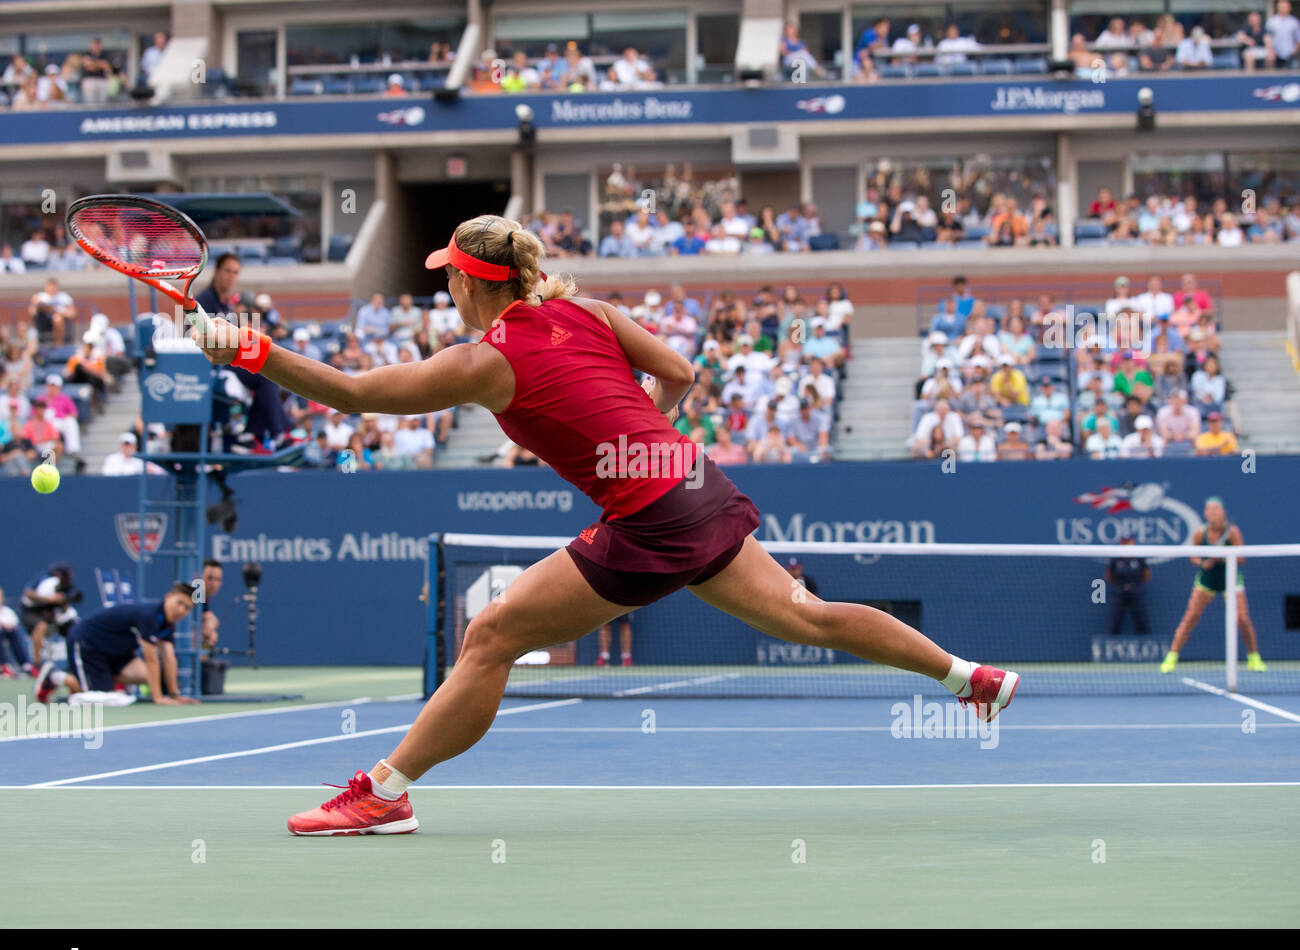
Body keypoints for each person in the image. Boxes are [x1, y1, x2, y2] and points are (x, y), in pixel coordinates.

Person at [191, 213, 1022, 835]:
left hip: (655, 515)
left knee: (490, 637)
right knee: (804, 614)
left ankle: (385, 793)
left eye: (450, 273)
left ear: (476, 285)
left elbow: (358, 394)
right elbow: (681, 371)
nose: (445, 283)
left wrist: (252, 353)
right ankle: (968, 677)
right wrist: (639, 448)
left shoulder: (483, 361)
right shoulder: (589, 312)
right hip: (692, 480)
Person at [34, 583, 198, 705]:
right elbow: (151, 660)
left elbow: (169, 658)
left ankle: (99, 679)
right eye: (180, 603)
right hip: (87, 643)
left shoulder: (167, 624)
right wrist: (159, 698)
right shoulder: (149, 615)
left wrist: (175, 694)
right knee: (99, 695)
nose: (182, 610)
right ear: (168, 597)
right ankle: (54, 676)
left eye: (187, 608)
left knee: (144, 675)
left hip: (116, 651)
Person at [1160, 498, 1265, 674]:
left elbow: (1241, 558)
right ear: (1205, 514)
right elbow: (1193, 556)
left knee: (1242, 619)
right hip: (1207, 580)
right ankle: (1171, 657)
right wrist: (1203, 563)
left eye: (1217, 510)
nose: (1214, 513)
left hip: (1230, 580)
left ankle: (1254, 658)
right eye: (1210, 510)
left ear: (1223, 512)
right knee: (1191, 617)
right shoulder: (1200, 533)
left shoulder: (1232, 532)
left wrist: (1223, 557)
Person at [1106, 538, 1150, 635]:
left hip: (1136, 592)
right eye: (1124, 542)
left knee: (1141, 620)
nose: (1127, 544)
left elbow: (1146, 575)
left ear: (1133, 542)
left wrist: (1135, 586)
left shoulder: (1139, 558)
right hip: (1120, 592)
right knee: (1115, 620)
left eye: (1129, 542)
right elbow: (1109, 576)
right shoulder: (1116, 559)